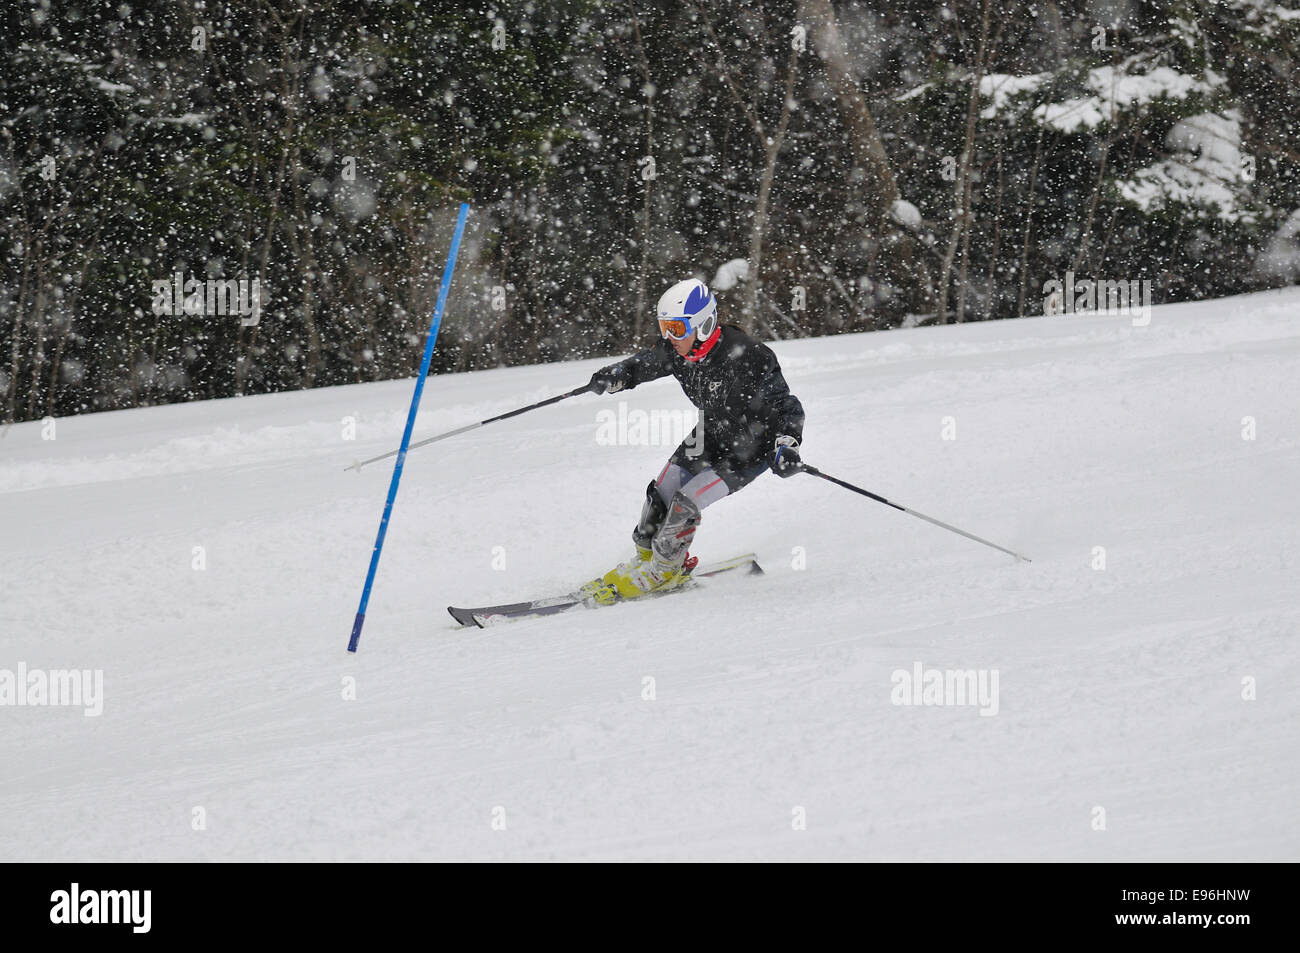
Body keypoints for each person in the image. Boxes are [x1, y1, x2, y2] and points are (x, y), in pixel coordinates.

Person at [581, 277, 805, 603]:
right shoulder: (680, 352)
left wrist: (786, 446)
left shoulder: (749, 356)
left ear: (703, 325)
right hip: (710, 433)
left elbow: (788, 407)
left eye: (676, 328)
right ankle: (646, 560)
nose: (669, 338)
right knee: (662, 490)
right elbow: (645, 363)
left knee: (687, 500)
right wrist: (618, 374)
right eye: (664, 328)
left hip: (751, 448)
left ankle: (664, 569)